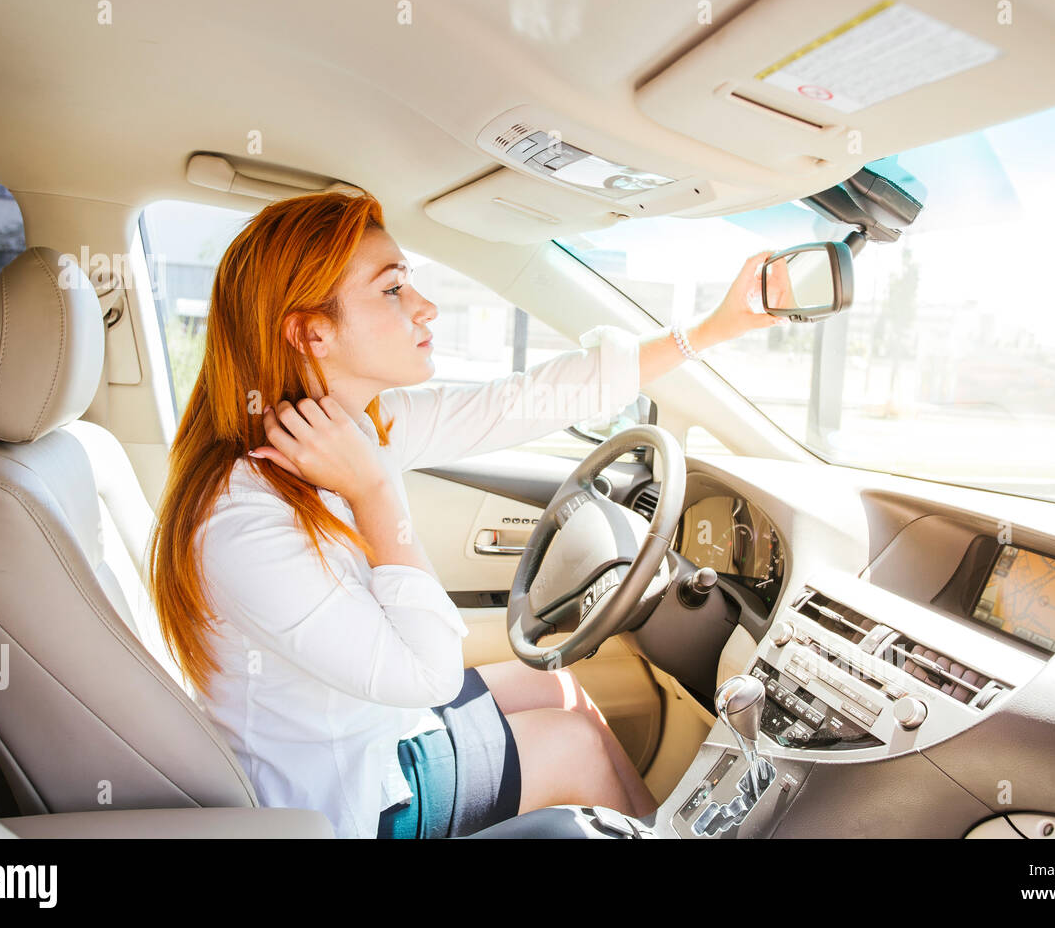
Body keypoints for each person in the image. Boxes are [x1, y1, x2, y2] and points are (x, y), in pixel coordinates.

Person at [147, 190, 792, 839]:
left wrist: (714, 328)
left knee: (563, 690)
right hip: (345, 796)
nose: (424, 305)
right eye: (392, 288)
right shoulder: (244, 524)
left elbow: (519, 401)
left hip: (373, 724)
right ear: (311, 330)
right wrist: (375, 491)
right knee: (572, 745)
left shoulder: (355, 427)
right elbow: (427, 673)